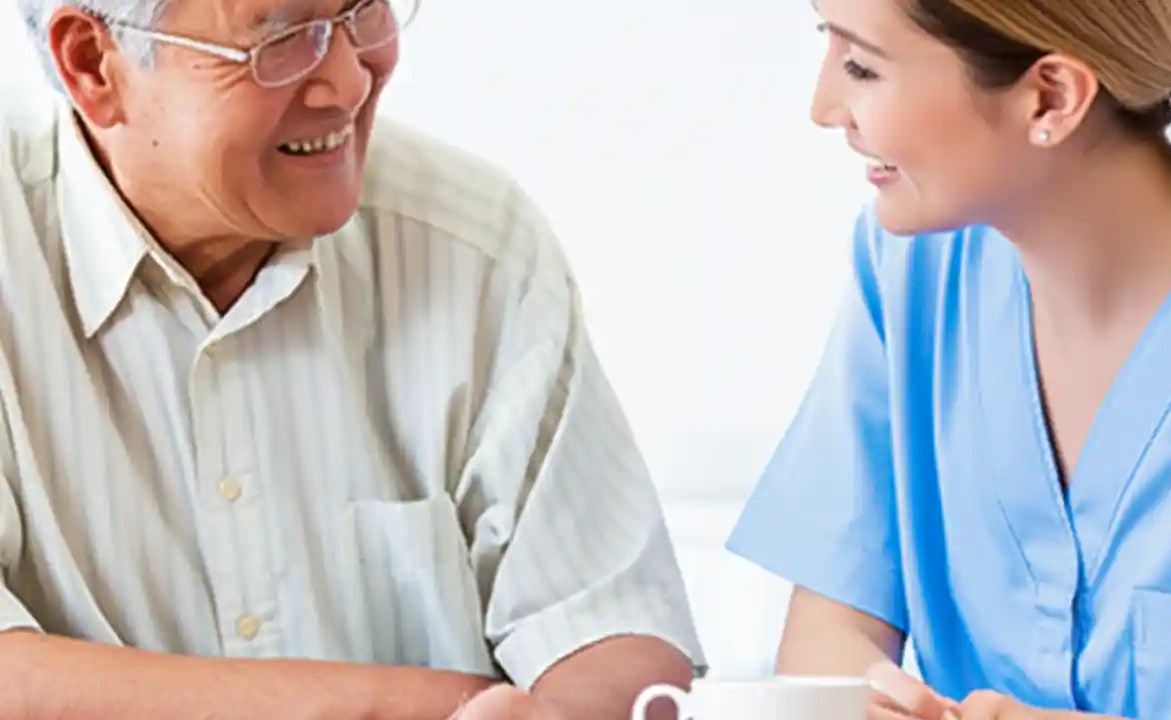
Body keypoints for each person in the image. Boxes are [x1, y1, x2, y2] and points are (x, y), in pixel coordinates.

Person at [0, 0, 703, 717]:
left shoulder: (473, 241)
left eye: (362, 10)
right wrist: (425, 708)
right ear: (92, 64)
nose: (347, 80)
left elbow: (613, 631)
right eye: (279, 37)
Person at [726, 0, 1171, 718]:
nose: (824, 106)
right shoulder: (908, 270)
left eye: (862, 66)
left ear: (1050, 96)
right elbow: (834, 628)